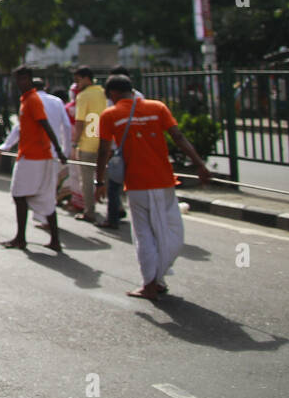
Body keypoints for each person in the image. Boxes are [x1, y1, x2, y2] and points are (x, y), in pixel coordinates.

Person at [95, 75, 211, 300]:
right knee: (171, 231)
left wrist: (99, 181)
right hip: (164, 181)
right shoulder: (158, 108)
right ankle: (157, 279)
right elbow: (178, 136)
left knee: (144, 235)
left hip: (137, 184)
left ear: (113, 94)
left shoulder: (110, 115)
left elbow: (103, 151)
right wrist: (200, 165)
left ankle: (150, 283)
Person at [1, 66, 67, 253]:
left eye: (24, 79)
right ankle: (54, 240)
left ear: (30, 80)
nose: (21, 83)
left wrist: (60, 151)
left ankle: (21, 238)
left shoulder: (32, 100)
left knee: (19, 195)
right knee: (44, 197)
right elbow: (22, 129)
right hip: (36, 155)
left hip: (33, 157)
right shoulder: (26, 100)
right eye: (18, 79)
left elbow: (45, 125)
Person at [103, 64, 143, 229]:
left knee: (113, 184)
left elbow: (105, 126)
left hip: (117, 148)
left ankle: (114, 216)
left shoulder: (111, 102)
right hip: (137, 145)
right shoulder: (140, 97)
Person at [72, 66, 106, 224]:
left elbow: (80, 122)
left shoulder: (83, 96)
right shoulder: (103, 92)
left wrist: (74, 143)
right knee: (107, 179)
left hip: (87, 144)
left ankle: (89, 212)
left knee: (86, 181)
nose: (76, 84)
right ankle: (116, 209)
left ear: (86, 78)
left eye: (77, 79)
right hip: (105, 144)